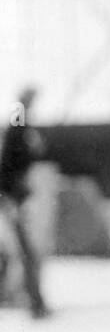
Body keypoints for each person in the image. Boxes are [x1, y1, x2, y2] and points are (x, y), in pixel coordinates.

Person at [0, 87, 49, 318]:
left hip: (13, 197)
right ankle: (35, 302)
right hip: (13, 199)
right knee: (26, 252)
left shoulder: (18, 125)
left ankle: (32, 299)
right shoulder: (18, 124)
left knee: (22, 251)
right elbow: (16, 154)